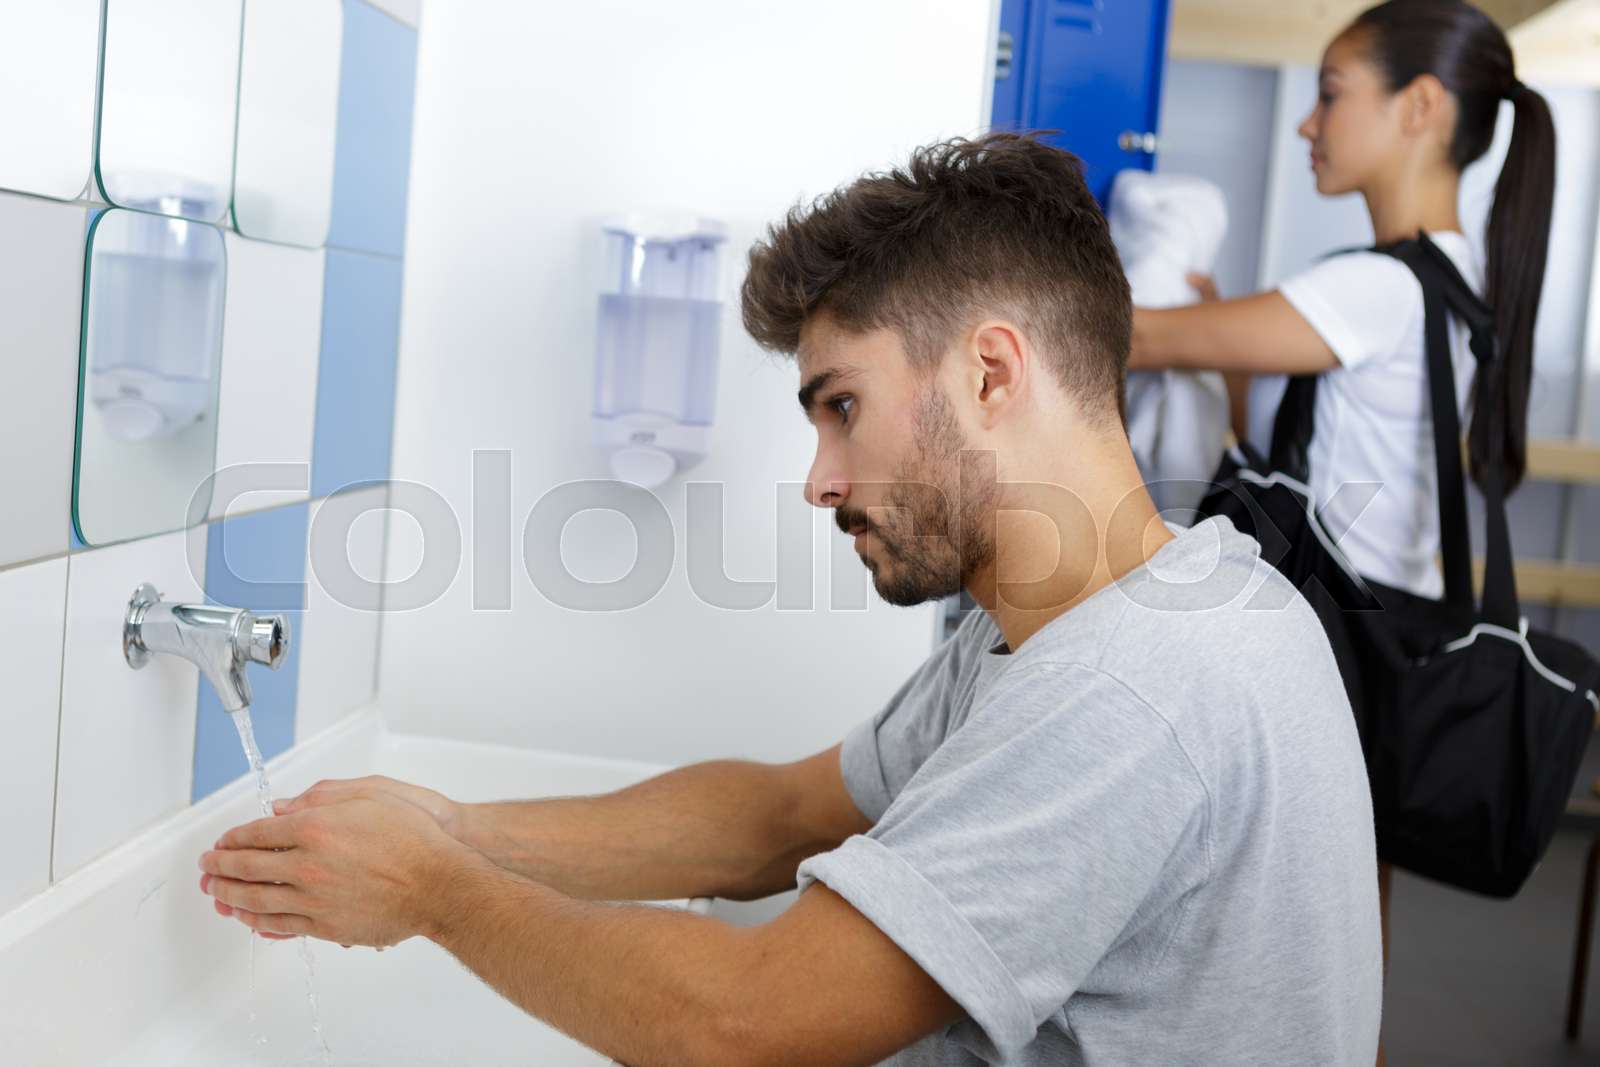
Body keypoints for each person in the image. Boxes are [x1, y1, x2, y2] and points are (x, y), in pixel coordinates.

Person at [197, 132, 1381, 1065]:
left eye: (842, 406)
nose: (820, 478)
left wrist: (435, 889)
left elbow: (741, 1027)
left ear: (988, 371)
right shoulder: (1110, 612)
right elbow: (776, 815)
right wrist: (452, 826)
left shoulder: (1131, 686)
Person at [1127, 3, 1555, 1059]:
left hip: (1328, 657)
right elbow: (1289, 445)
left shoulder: (1369, 288)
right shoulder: (1459, 292)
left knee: (1277, 936)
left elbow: (1127, 335)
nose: (1305, 125)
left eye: (1329, 95)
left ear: (1418, 107)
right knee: (1337, 941)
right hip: (1386, 651)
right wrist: (1233, 336)